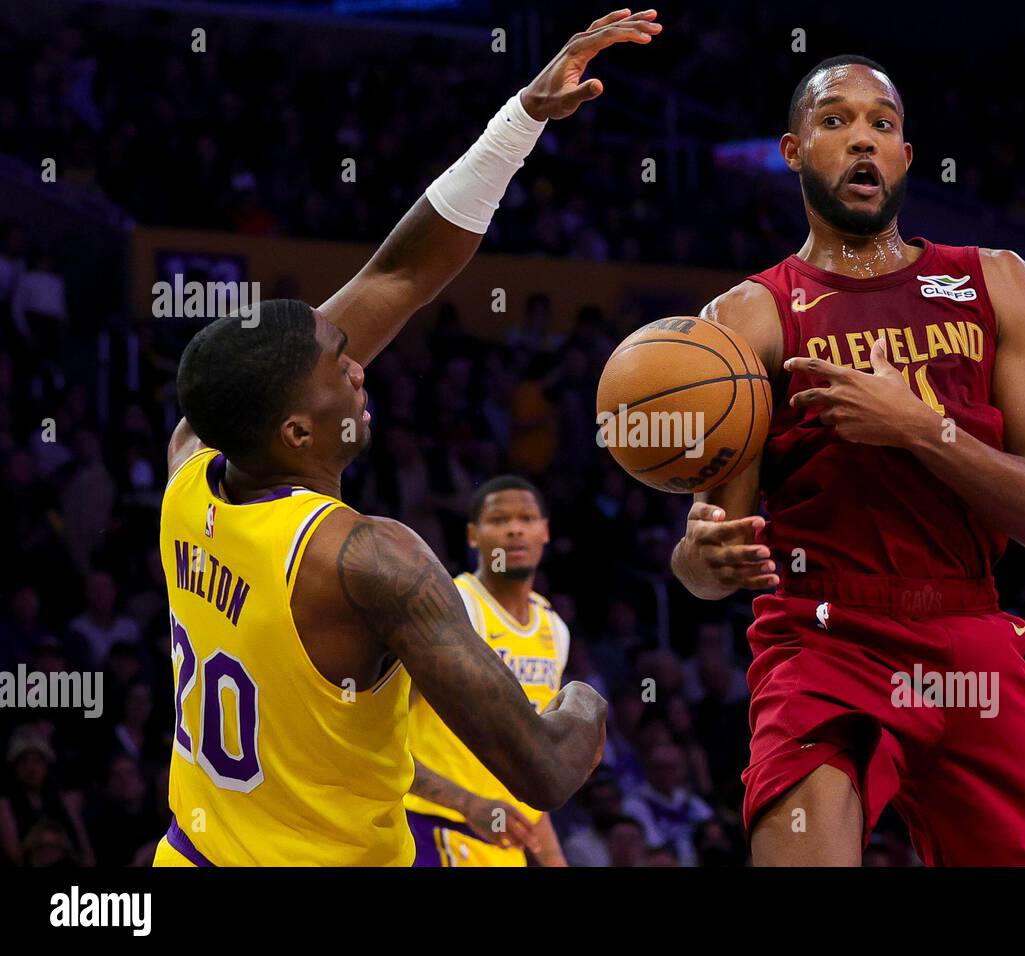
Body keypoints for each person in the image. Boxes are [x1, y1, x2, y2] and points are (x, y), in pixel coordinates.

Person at [153, 9, 662, 867]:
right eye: (336, 364)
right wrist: (584, 696)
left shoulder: (190, 462)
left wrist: (521, 120)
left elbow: (398, 273)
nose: (359, 364)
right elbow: (543, 768)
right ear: (294, 427)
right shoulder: (369, 560)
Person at [671, 55, 1025, 865]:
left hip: (969, 632)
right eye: (835, 121)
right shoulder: (747, 317)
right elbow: (707, 559)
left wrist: (919, 427)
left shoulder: (995, 283)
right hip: (822, 638)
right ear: (793, 151)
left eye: (881, 125)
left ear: (904, 156)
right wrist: (701, 556)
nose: (862, 140)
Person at [405, 475, 572, 866]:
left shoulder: (554, 629)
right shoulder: (451, 608)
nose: (515, 528)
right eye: (498, 520)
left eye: (527, 518)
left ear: (545, 531)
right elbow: (377, 734)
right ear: (473, 535)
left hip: (502, 846)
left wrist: (553, 858)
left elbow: (531, 763)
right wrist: (467, 803)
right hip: (430, 828)